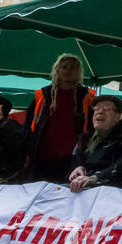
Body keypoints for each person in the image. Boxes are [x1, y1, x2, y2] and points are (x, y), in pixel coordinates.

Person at [26, 54, 95, 182]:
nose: (68, 71)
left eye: (72, 68)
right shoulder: (43, 95)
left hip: (73, 159)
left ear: (78, 72)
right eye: (64, 67)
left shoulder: (87, 96)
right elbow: (29, 125)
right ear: (57, 69)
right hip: (42, 156)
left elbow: (92, 128)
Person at [66, 95, 122, 192]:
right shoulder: (84, 138)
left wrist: (96, 177)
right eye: (96, 109)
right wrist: (78, 167)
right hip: (78, 188)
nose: (100, 111)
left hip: (108, 190)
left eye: (106, 109)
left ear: (117, 117)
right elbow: (76, 159)